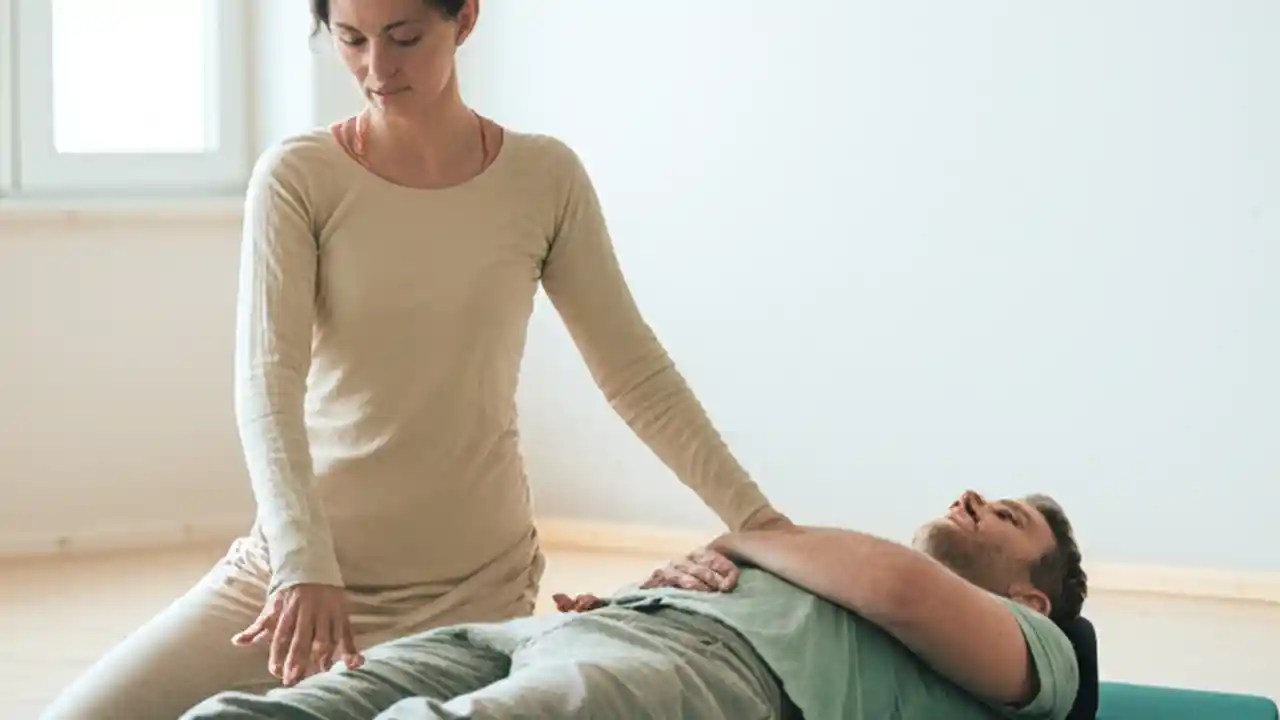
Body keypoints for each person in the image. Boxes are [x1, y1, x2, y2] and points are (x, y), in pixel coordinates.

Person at [38, 1, 789, 717]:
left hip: (472, 591)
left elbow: (636, 375)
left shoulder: (544, 178)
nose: (376, 68)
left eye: (404, 38)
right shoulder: (299, 175)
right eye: (351, 39)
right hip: (299, 571)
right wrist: (301, 562)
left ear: (465, 18)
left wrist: (760, 523)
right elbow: (268, 384)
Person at [182, 490, 1087, 720]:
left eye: (1007, 517)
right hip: (583, 627)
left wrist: (736, 540)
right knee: (279, 711)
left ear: (1031, 597)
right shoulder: (831, 570)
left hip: (716, 673)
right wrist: (639, 592)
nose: (972, 497)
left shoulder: (1045, 652)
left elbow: (895, 586)